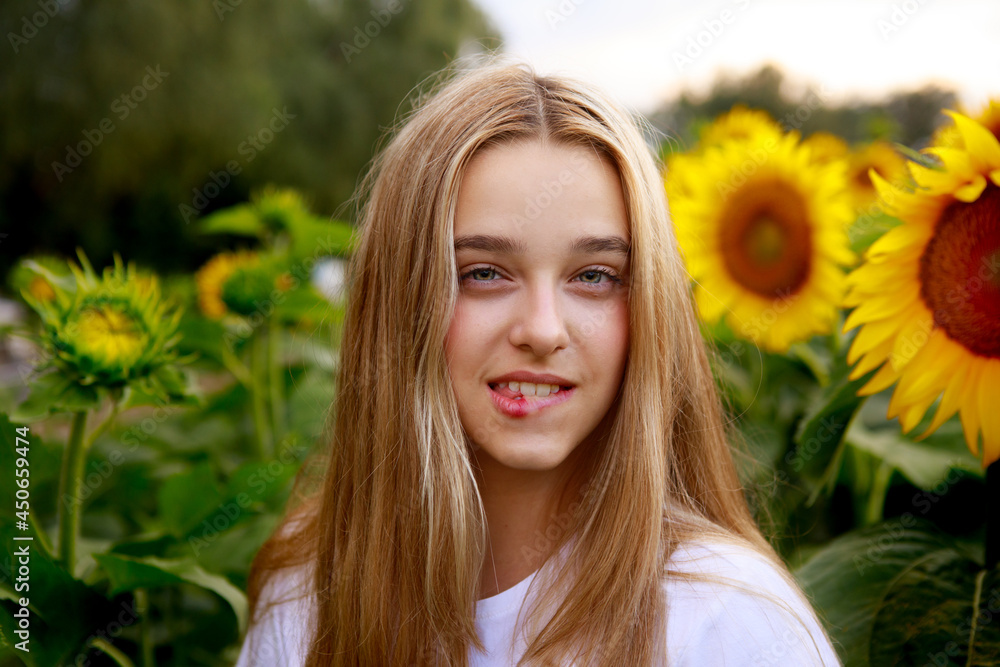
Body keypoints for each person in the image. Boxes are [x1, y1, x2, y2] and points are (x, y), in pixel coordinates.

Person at [235, 59, 841, 666]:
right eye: (483, 273)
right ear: (400, 298)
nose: (544, 330)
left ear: (650, 307)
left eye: (595, 276)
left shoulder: (728, 621)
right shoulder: (309, 590)